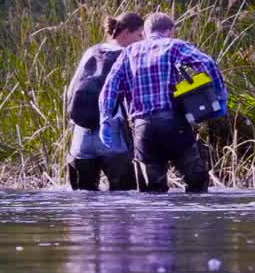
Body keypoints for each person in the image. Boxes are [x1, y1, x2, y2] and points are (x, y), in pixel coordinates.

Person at [98, 12, 227, 193]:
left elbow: (109, 88)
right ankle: (192, 218)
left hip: (143, 129)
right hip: (173, 124)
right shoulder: (174, 46)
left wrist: (105, 118)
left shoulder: (129, 52)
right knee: (197, 182)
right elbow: (207, 63)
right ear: (171, 31)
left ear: (145, 31)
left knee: (151, 191)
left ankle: (156, 220)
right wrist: (220, 95)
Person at [65, 12, 145, 190]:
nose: (142, 40)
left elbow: (71, 90)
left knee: (83, 199)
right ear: (125, 33)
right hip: (113, 134)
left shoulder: (91, 51)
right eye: (139, 35)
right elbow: (133, 96)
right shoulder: (129, 54)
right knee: (124, 198)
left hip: (81, 136)